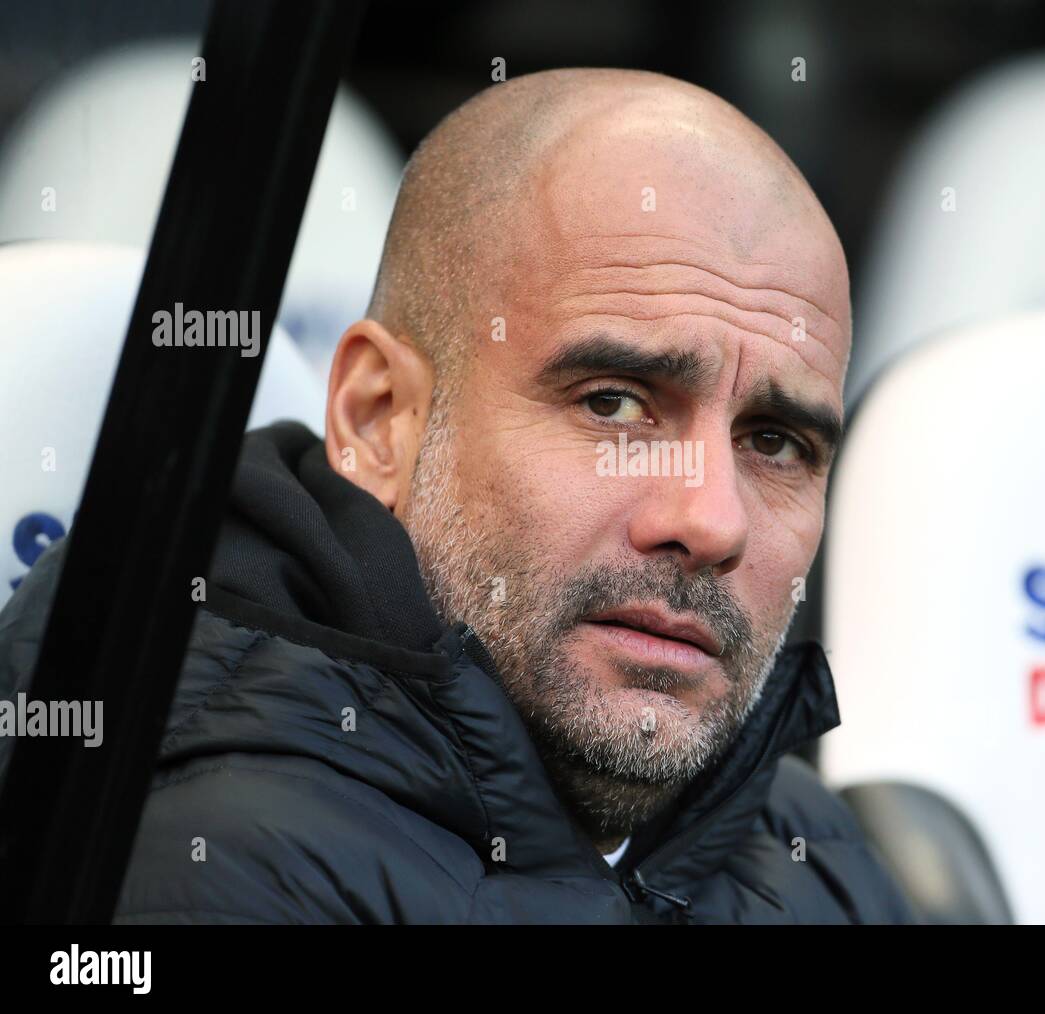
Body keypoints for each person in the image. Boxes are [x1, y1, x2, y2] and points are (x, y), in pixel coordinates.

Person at [0, 68, 913, 923]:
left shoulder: (808, 843)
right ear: (379, 420)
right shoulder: (206, 869)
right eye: (614, 404)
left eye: (775, 443)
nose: (712, 520)